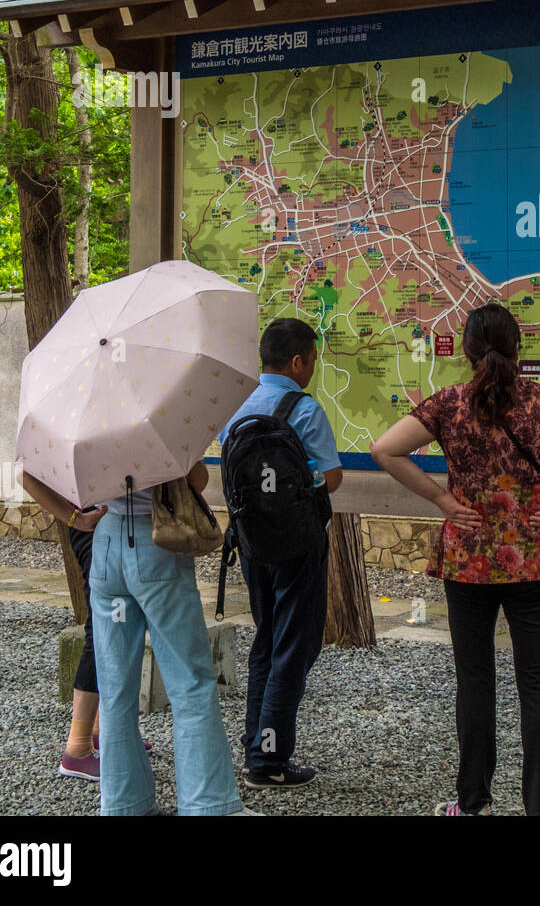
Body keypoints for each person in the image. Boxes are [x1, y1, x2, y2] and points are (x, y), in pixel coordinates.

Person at [371, 302, 540, 817]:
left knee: (474, 679)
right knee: (538, 684)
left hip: (466, 562)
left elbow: (385, 449)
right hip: (534, 560)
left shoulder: (448, 404)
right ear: (518, 347)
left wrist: (443, 502)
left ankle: (472, 802)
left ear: (467, 351)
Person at [84, 457, 250, 815]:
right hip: (155, 540)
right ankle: (207, 803)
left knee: (115, 690)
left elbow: (27, 476)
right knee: (190, 683)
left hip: (107, 540)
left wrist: (73, 519)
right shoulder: (157, 419)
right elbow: (197, 479)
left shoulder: (90, 421)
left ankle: (124, 804)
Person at [219, 317, 342, 790]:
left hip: (251, 543)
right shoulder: (304, 409)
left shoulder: (238, 405)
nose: (312, 369)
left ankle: (257, 746)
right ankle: (268, 760)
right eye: (311, 360)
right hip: (299, 544)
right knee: (294, 645)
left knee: (267, 639)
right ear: (296, 361)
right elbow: (331, 478)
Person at [20, 473, 108, 780]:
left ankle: (100, 732)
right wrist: (75, 519)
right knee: (101, 627)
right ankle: (78, 748)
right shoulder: (65, 425)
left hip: (104, 523)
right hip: (93, 524)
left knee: (114, 626)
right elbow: (26, 474)